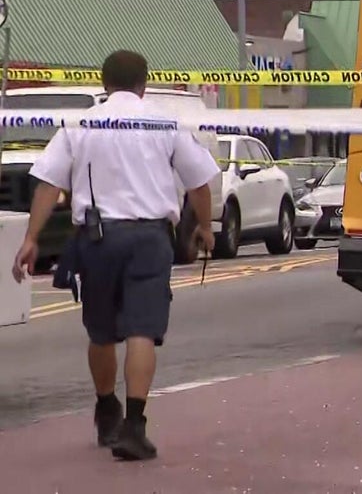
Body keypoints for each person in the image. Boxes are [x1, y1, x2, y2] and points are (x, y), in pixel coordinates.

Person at [10, 50, 219, 461]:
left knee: (102, 331)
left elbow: (48, 183)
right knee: (143, 330)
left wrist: (31, 238)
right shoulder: (163, 121)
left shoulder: (81, 123)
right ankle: (134, 426)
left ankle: (107, 409)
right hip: (150, 238)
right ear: (144, 83)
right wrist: (206, 227)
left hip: (98, 237)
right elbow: (200, 182)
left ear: (104, 83)